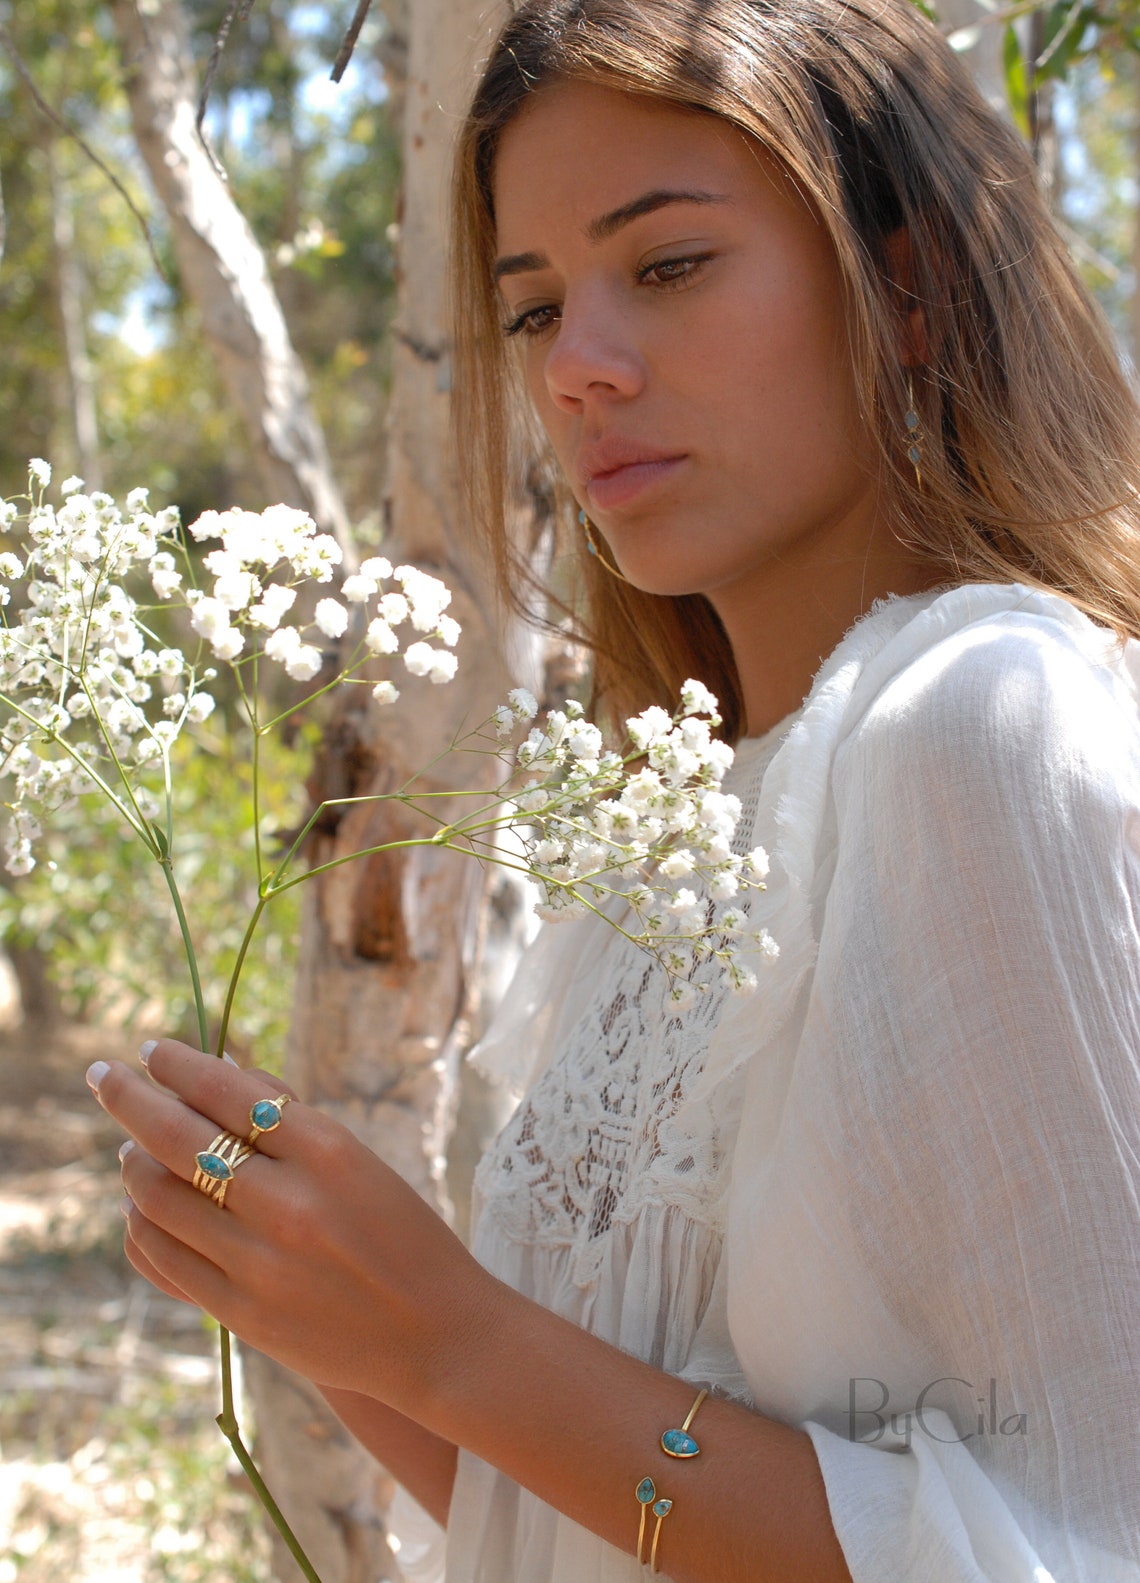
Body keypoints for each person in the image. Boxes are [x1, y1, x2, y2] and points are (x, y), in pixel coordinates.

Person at [86, 0, 1140, 1578]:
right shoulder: (673, 836)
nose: (577, 369)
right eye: (530, 311)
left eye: (667, 268)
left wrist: (454, 1343)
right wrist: (343, 1317)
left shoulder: (980, 723)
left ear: (907, 289)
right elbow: (608, 1520)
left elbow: (1075, 1536)